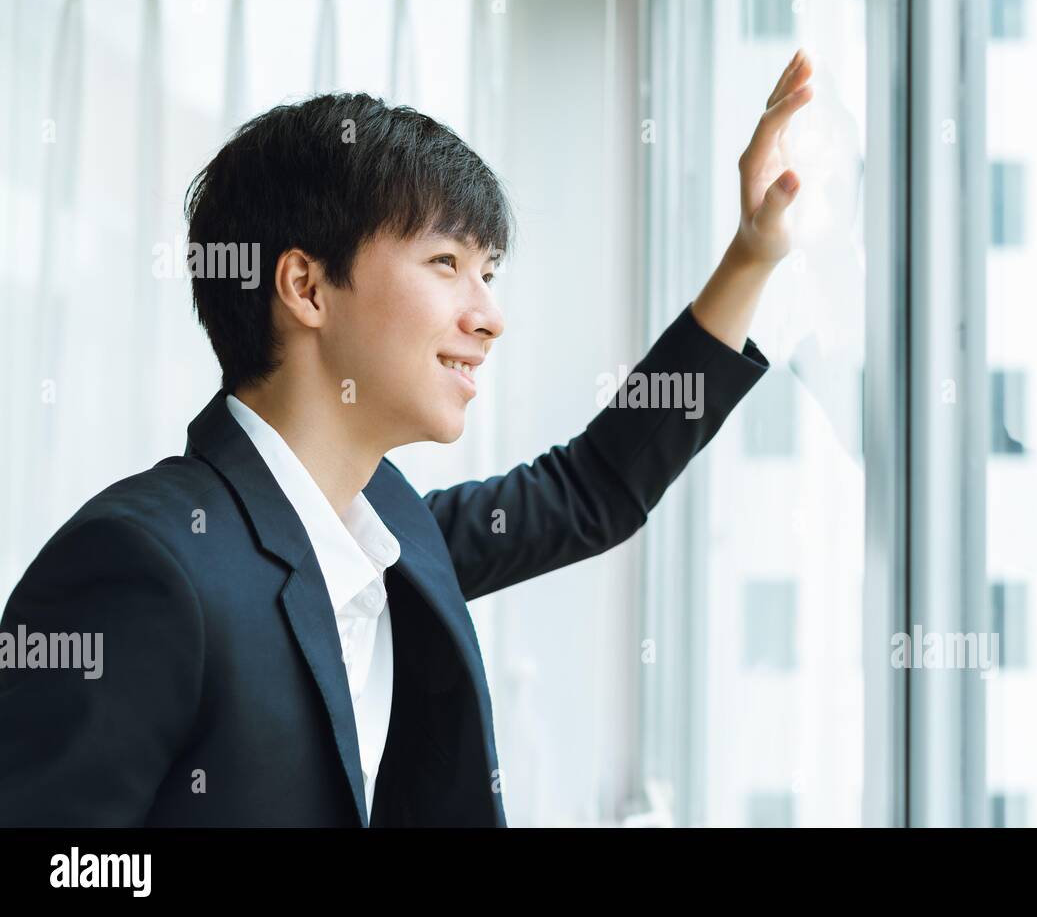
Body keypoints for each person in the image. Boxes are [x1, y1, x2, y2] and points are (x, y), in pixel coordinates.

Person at [0, 51, 815, 827]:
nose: (489, 317)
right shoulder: (141, 565)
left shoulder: (387, 533)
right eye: (445, 262)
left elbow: (591, 492)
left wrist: (750, 257)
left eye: (487, 273)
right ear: (306, 287)